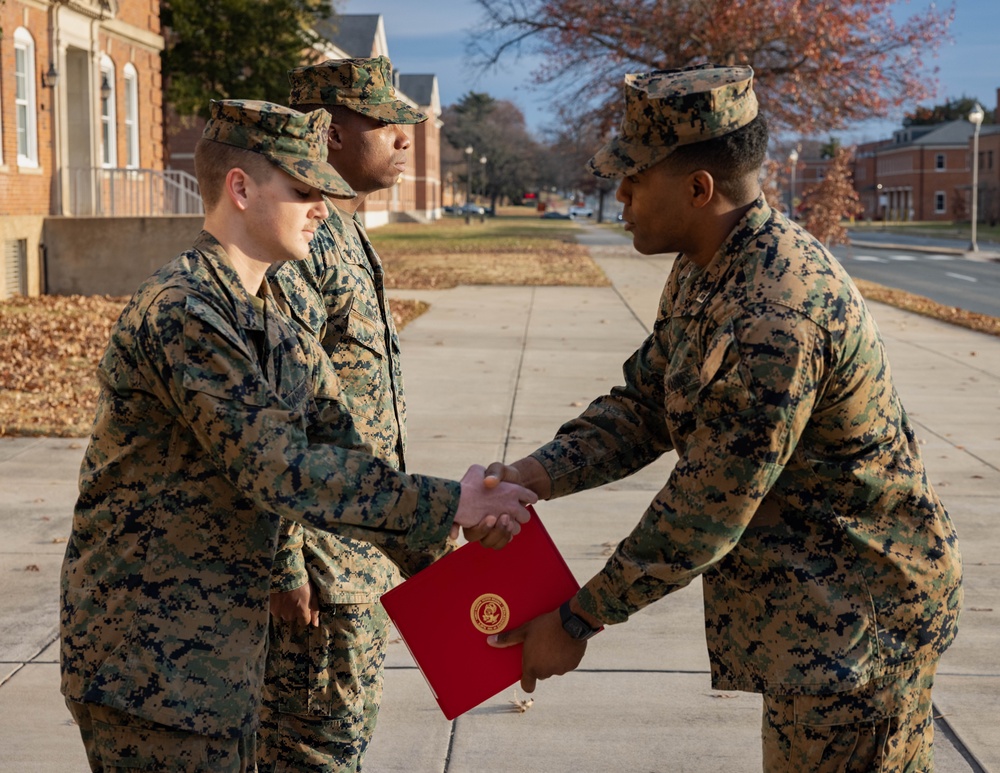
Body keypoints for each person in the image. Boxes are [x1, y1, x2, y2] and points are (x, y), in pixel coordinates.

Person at [486, 64, 963, 771]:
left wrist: (579, 617)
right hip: (813, 616)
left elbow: (707, 505)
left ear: (699, 188)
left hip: (857, 625)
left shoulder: (776, 314)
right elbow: (646, 400)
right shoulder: (710, 264)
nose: (616, 192)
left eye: (633, 177)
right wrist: (536, 473)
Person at [60, 99, 535, 772]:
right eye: (305, 191)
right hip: (147, 658)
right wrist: (448, 503)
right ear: (241, 188)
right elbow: (280, 468)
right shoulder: (185, 312)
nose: (322, 209)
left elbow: (347, 465)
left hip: (218, 655)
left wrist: (489, 606)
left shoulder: (280, 333)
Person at [256, 55, 437, 772]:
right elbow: (271, 413)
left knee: (342, 741)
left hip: (360, 554)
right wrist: (284, 560)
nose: (403, 137)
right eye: (385, 122)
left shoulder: (344, 230)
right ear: (328, 132)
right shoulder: (301, 240)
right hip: (322, 571)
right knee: (313, 751)